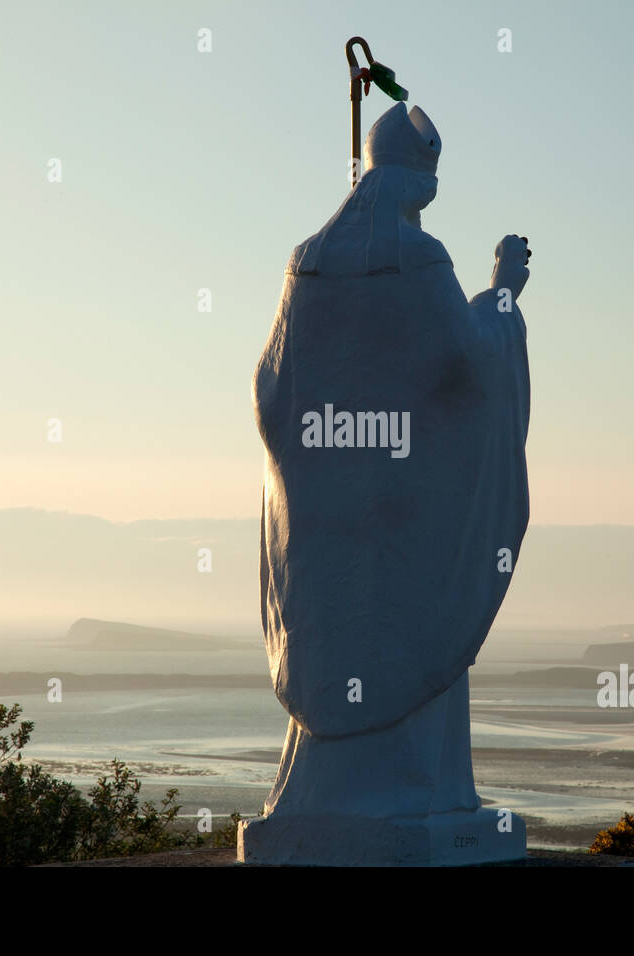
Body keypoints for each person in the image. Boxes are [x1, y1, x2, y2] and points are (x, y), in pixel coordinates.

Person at [244, 101, 532, 864]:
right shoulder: (422, 260)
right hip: (408, 521)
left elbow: (272, 391)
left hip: (327, 521)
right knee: (410, 630)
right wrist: (504, 292)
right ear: (421, 177)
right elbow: (470, 368)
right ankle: (413, 799)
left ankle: (323, 802)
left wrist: (322, 461)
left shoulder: (305, 262)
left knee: (342, 635)